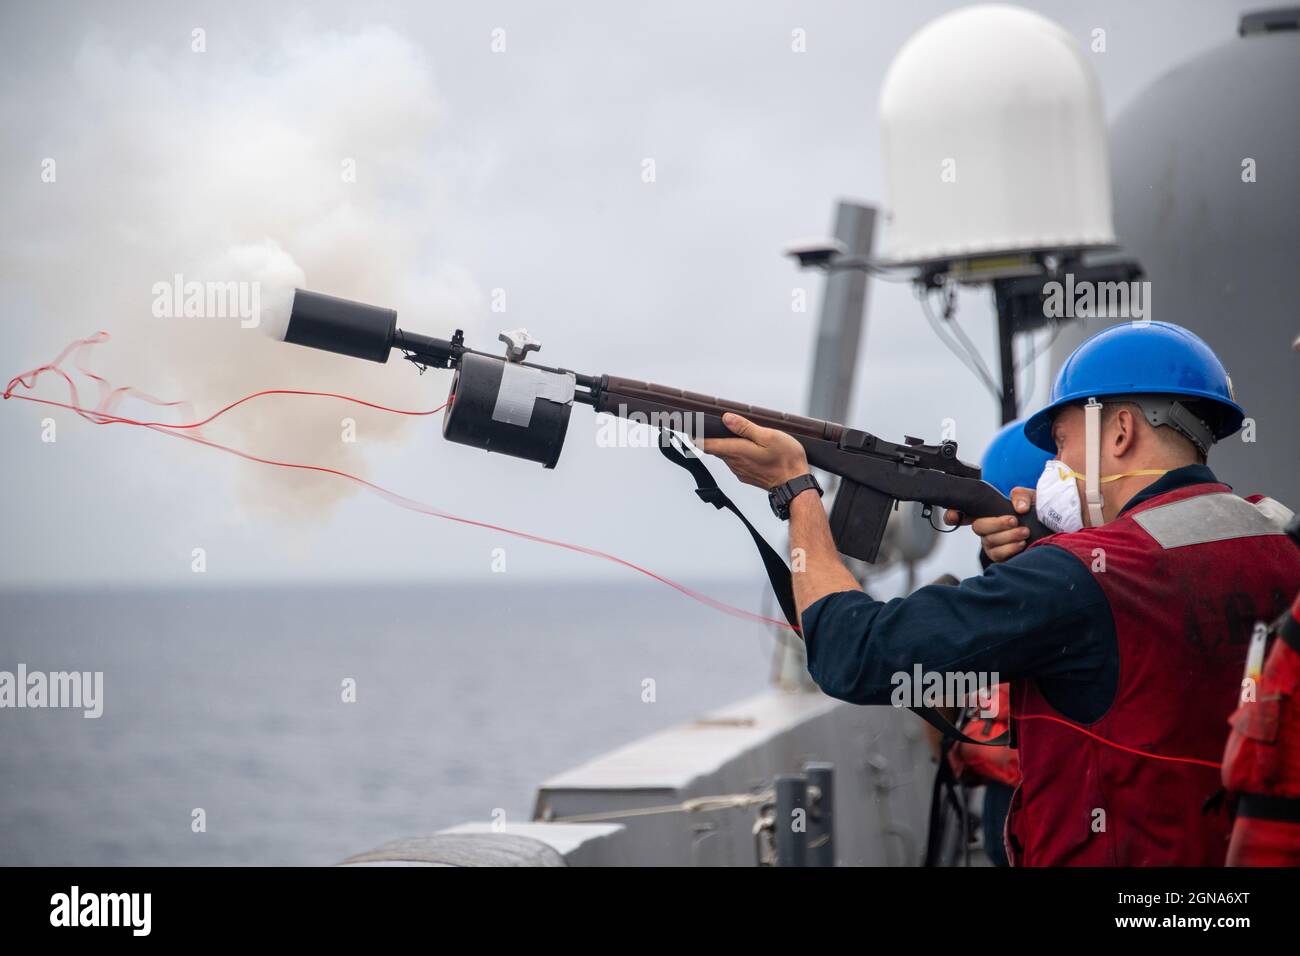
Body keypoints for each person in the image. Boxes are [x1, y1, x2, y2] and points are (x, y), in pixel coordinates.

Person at [701, 321, 1300, 866]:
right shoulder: (1279, 542)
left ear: (1120, 431)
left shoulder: (1080, 576)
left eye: (1063, 444)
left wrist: (798, 493)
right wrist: (1014, 559)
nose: (1055, 469)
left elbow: (850, 651)